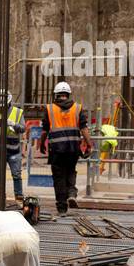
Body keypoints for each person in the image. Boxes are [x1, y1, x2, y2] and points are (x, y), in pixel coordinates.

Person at [38, 81, 92, 216]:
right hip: (73, 148)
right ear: (68, 94)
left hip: (56, 149)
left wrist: (41, 143)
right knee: (70, 171)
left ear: (56, 94)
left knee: (59, 177)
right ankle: (72, 193)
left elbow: (45, 130)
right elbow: (84, 128)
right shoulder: (78, 108)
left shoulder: (49, 108)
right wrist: (89, 144)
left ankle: (62, 207)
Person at [0, 91, 26, 200]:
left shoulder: (18, 112)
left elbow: (23, 128)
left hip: (14, 149)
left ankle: (19, 195)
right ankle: (1, 196)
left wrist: (14, 124)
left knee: (16, 174)